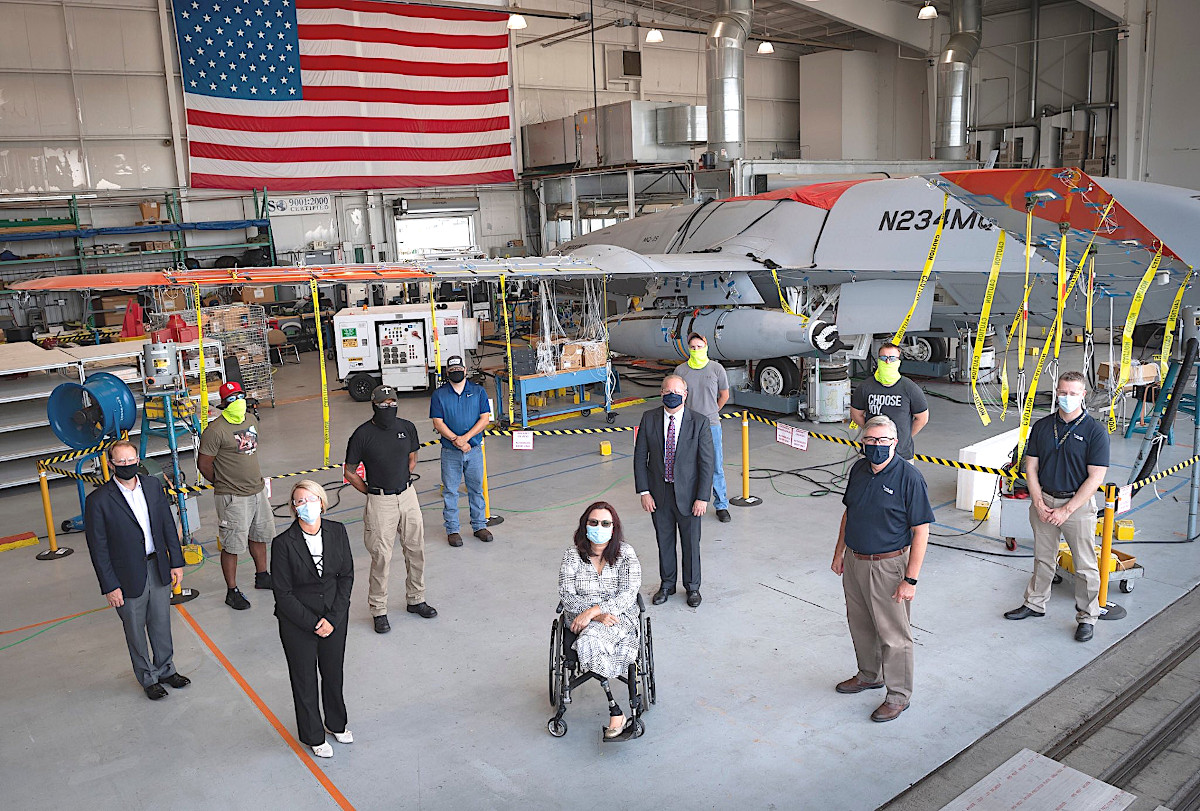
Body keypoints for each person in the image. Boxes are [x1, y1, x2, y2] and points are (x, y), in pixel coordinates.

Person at [831, 415, 932, 723]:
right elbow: (850, 513)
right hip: (855, 561)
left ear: (895, 443)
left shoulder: (909, 478)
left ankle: (899, 695)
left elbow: (921, 531)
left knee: (894, 634)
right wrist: (839, 553)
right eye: (870, 441)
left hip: (889, 566)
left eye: (882, 441)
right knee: (860, 624)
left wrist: (910, 579)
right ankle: (869, 674)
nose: (875, 446)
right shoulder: (859, 470)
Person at [1004, 371, 1109, 642]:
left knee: (1085, 565)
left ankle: (1087, 616)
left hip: (1077, 506)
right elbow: (1032, 466)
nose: (1067, 398)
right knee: (1042, 557)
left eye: (1073, 394)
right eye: (1063, 393)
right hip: (1044, 501)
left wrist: (1067, 509)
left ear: (1083, 395)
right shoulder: (1042, 427)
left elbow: (1096, 477)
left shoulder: (1094, 431)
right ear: (1056, 393)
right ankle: (1034, 603)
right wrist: (1038, 502)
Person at [84, 440, 190, 700]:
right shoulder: (98, 500)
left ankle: (166, 669)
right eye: (121, 462)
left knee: (162, 623)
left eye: (131, 461)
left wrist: (176, 561)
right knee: (134, 628)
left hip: (157, 565)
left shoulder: (153, 486)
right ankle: (148, 677)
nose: (128, 466)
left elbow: (167, 524)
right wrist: (110, 586)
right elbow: (98, 548)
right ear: (111, 465)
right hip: (126, 576)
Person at [272, 481, 354, 759]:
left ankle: (336, 723)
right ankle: (313, 734)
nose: (305, 505)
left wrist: (332, 618)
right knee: (305, 679)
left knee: (333, 674)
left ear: (322, 502)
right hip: (298, 623)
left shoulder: (338, 532)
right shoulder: (282, 544)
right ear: (293, 508)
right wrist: (313, 623)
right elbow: (283, 593)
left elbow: (346, 577)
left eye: (310, 499)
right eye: (299, 501)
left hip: (334, 617)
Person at [344, 385, 436, 634]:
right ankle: (379, 610)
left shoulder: (407, 427)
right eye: (384, 403)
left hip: (408, 496)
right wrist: (370, 492)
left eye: (393, 402)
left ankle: (416, 599)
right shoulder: (362, 435)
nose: (389, 407)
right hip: (379, 501)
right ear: (374, 405)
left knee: (416, 549)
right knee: (381, 557)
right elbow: (349, 472)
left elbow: (412, 455)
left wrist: (403, 478)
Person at [557, 501, 643, 742]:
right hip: (581, 621)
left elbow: (628, 594)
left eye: (605, 523)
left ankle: (615, 709)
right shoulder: (572, 556)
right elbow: (566, 594)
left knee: (588, 643)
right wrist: (592, 615)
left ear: (613, 528)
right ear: (585, 526)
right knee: (590, 639)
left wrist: (596, 610)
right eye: (593, 522)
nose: (599, 527)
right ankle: (615, 709)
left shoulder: (626, 554)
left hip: (619, 617)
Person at [634, 375, 715, 608]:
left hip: (690, 497)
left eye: (677, 391)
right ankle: (667, 584)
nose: (672, 395)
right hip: (659, 495)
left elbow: (706, 463)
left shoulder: (699, 422)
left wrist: (702, 497)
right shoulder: (649, 419)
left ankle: (692, 588)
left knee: (691, 543)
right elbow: (641, 458)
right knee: (664, 541)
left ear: (685, 394)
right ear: (661, 393)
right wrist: (644, 491)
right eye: (668, 391)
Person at [197, 381, 274, 611]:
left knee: (258, 535)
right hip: (232, 497)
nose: (238, 401)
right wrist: (223, 482)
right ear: (223, 404)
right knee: (231, 545)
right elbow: (204, 465)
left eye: (240, 396)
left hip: (257, 490)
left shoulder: (251, 420)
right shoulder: (215, 431)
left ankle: (262, 575)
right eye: (232, 398)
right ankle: (232, 591)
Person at [429, 355, 494, 546]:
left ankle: (479, 525)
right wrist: (455, 440)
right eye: (452, 371)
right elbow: (437, 422)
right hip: (450, 452)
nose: (456, 373)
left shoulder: (478, 391)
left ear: (465, 370)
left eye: (459, 369)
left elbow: (484, 418)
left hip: (473, 449)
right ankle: (452, 529)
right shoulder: (439, 395)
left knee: (476, 489)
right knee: (450, 490)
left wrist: (465, 439)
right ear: (447, 373)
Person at [673, 332, 732, 523]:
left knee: (715, 465)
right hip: (687, 425)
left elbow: (724, 395)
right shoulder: (681, 371)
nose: (696, 350)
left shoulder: (716, 369)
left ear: (706, 346)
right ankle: (690, 501)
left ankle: (721, 505)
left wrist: (712, 411)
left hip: (711, 424)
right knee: (688, 466)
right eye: (692, 347)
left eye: (699, 347)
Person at [849, 342, 930, 461]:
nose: (887, 362)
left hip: (901, 454)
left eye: (892, 358)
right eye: (883, 358)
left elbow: (922, 418)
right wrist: (872, 431)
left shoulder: (910, 388)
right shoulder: (865, 387)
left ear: (898, 361)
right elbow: (856, 414)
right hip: (871, 452)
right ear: (878, 360)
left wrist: (904, 436)